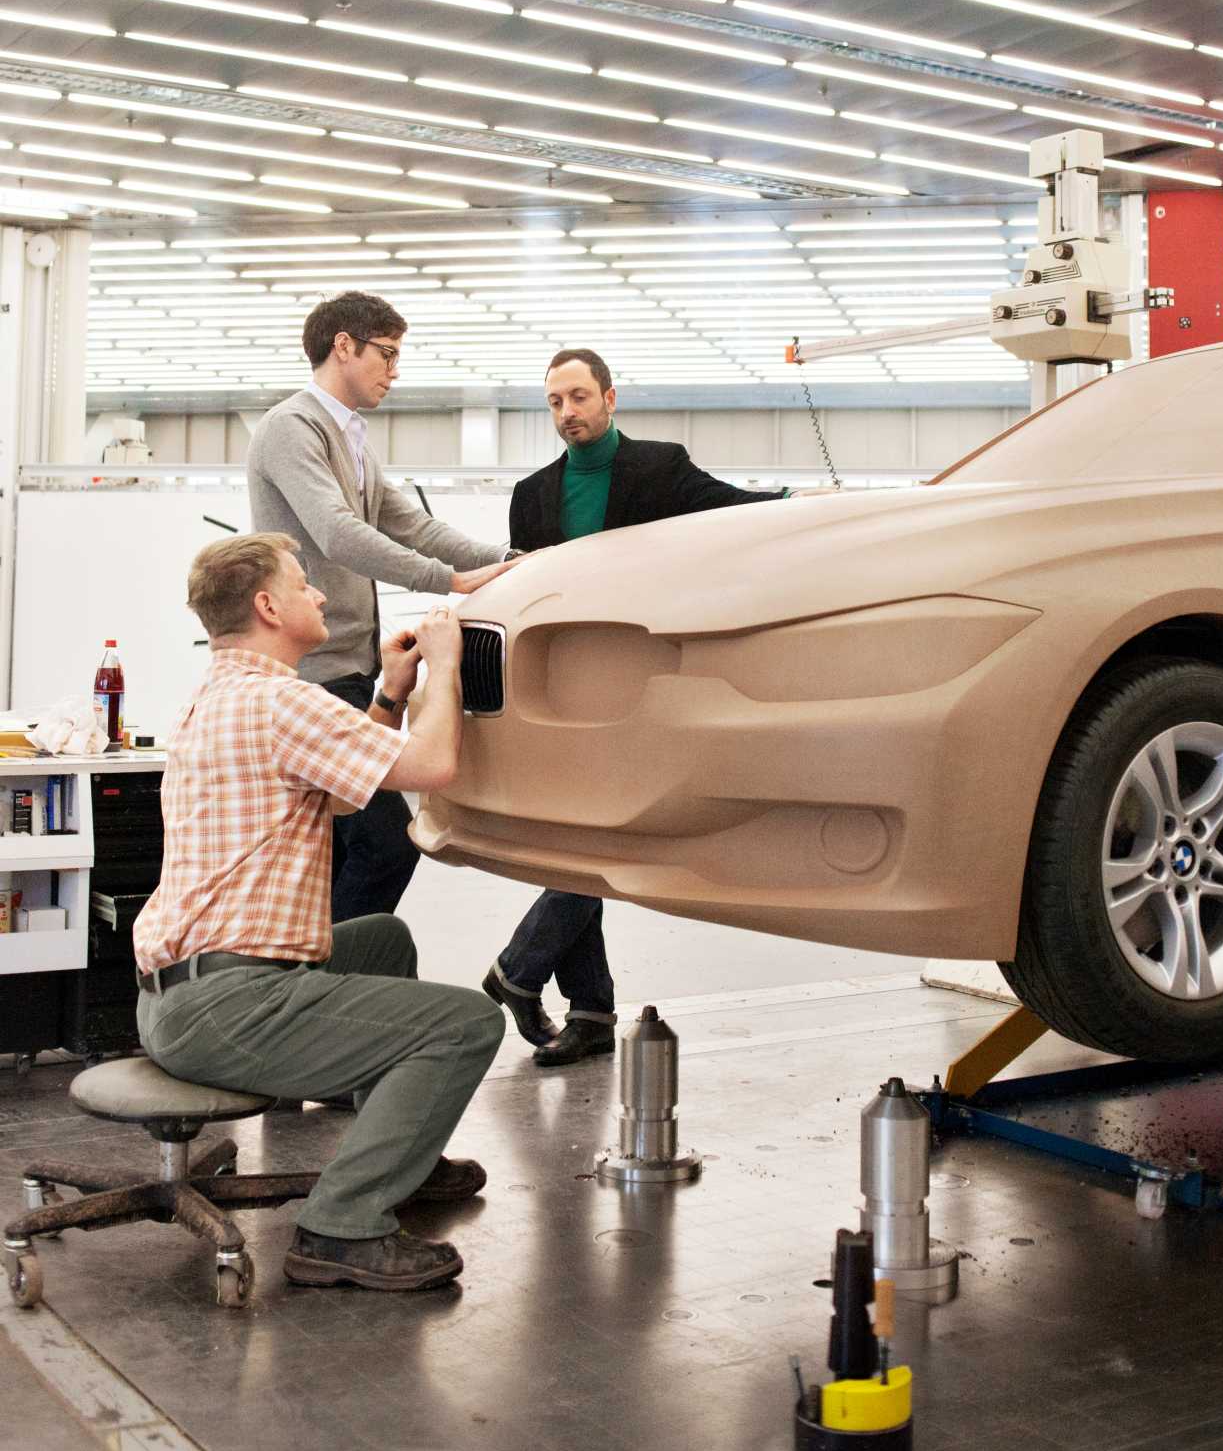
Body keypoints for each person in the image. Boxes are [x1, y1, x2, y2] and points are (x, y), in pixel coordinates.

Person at [133, 532, 505, 1292]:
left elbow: (339, 795)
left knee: (382, 940)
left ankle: (401, 1149)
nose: (322, 595)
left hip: (176, 996)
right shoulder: (281, 701)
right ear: (269, 607)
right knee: (467, 1023)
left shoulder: (222, 695)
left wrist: (391, 693)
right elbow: (433, 766)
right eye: (304, 584)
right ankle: (342, 1226)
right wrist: (446, 668)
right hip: (229, 1008)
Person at [483, 347, 791, 1067]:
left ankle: (519, 969)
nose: (567, 413)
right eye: (555, 401)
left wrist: (794, 504)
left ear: (610, 398)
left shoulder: (658, 468)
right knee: (573, 840)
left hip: (635, 685)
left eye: (579, 397)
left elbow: (729, 508)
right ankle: (589, 1011)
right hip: (556, 689)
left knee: (605, 841)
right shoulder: (531, 494)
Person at [248, 289, 519, 923]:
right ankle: (328, 973)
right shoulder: (292, 428)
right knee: (386, 845)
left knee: (336, 853)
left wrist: (510, 560)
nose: (394, 371)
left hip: (347, 671)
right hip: (312, 676)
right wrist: (449, 580)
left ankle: (312, 972)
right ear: (343, 346)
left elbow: (414, 526)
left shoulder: (353, 442)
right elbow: (337, 532)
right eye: (387, 354)